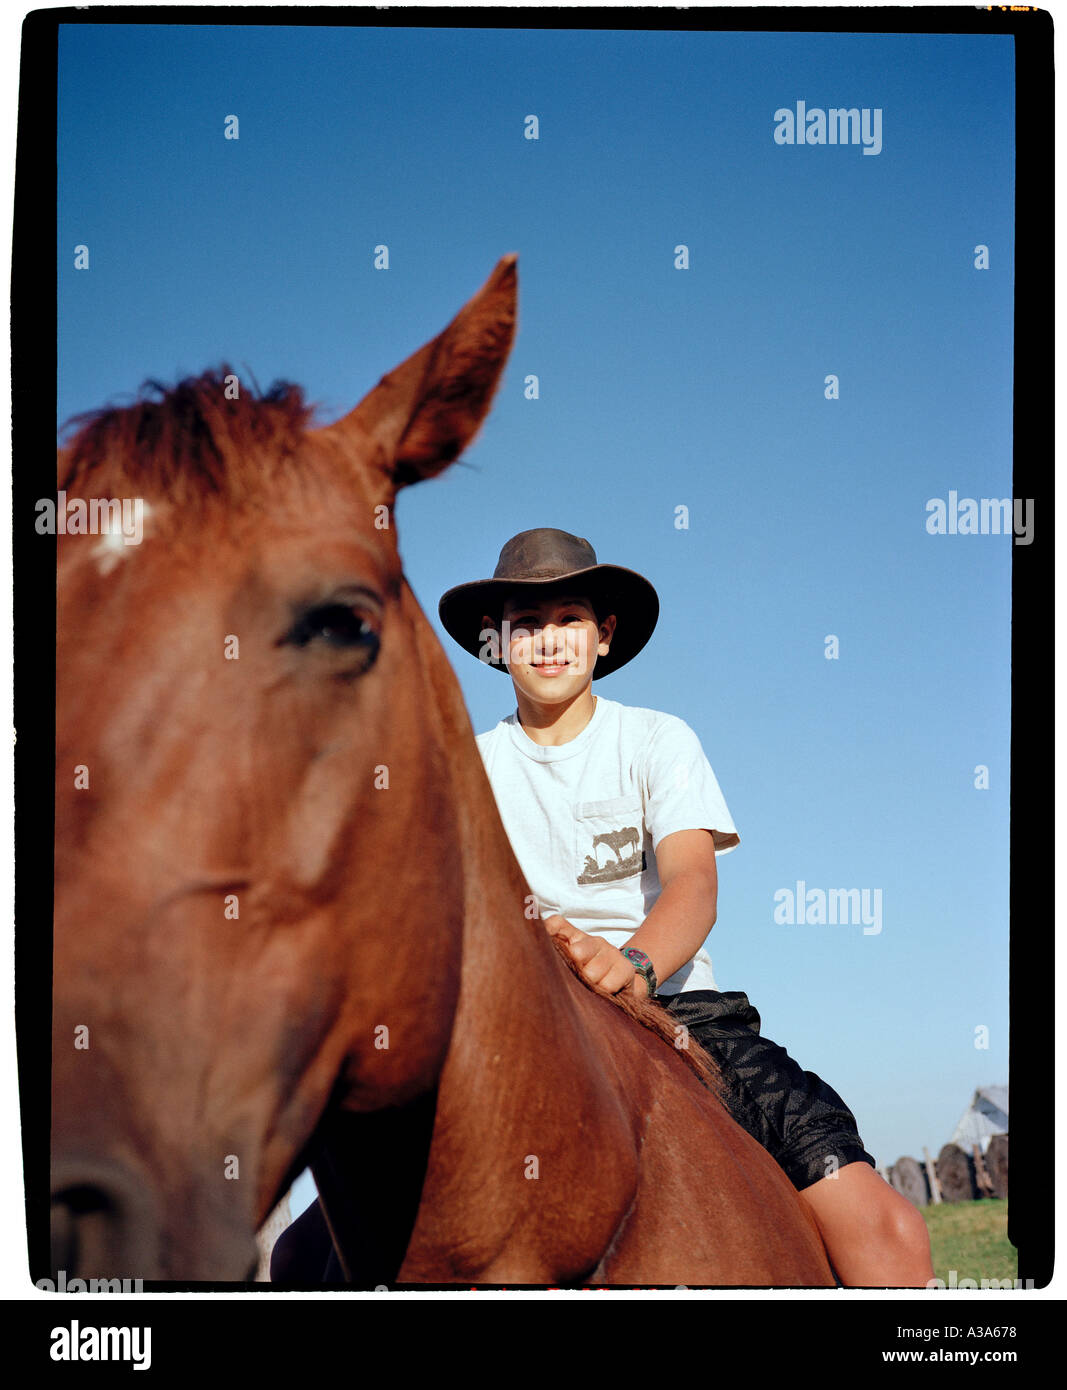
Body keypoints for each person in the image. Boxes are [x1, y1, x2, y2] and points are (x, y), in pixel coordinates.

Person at [438, 527, 934, 1288]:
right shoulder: (465, 769)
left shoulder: (655, 740)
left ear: (602, 636)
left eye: (567, 618)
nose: (546, 642)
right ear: (494, 644)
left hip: (677, 1014)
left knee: (887, 1231)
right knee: (308, 1250)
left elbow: (692, 885)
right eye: (524, 625)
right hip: (522, 1026)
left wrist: (630, 963)